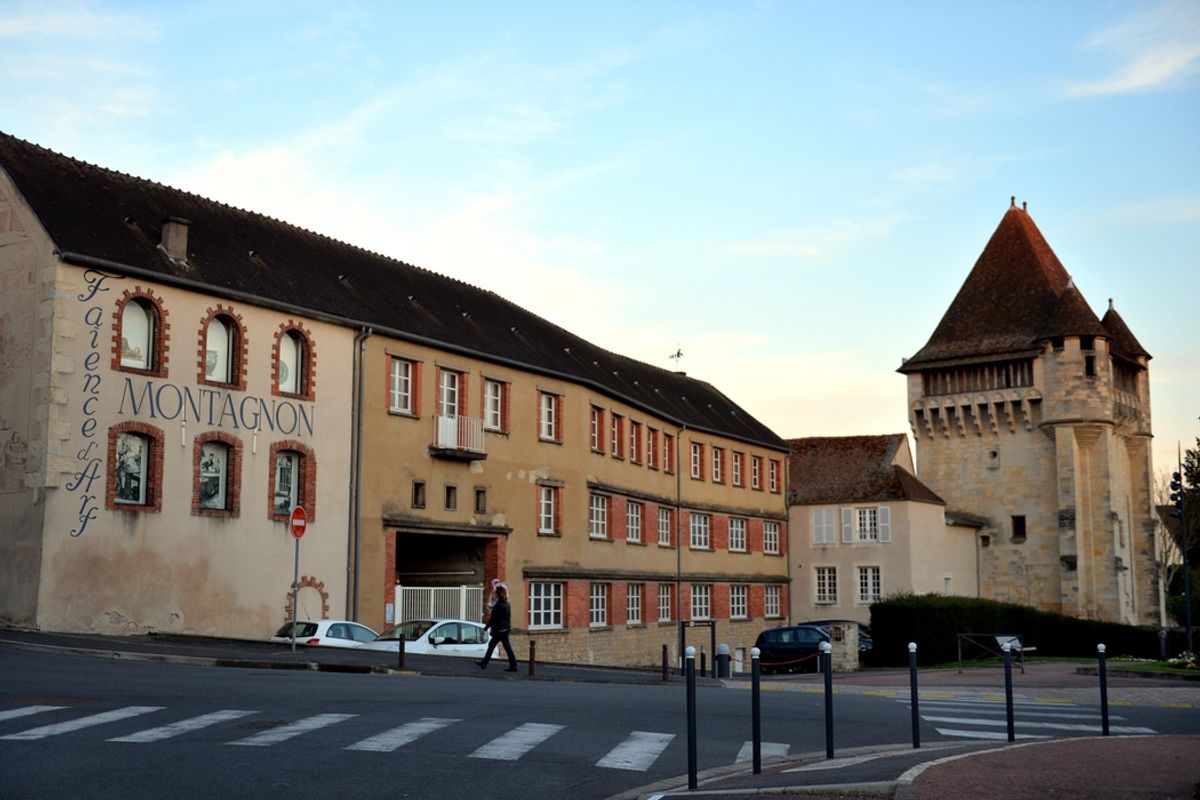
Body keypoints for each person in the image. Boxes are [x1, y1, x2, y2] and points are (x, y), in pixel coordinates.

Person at [476, 585, 518, 672]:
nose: (493, 594)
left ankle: (513, 665)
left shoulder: (498, 605)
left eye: (495, 593)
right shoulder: (507, 604)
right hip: (505, 629)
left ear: (498, 594)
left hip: (499, 630)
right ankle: (484, 663)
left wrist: (485, 628)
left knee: (502, 647)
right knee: (496, 646)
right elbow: (508, 617)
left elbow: (493, 619)